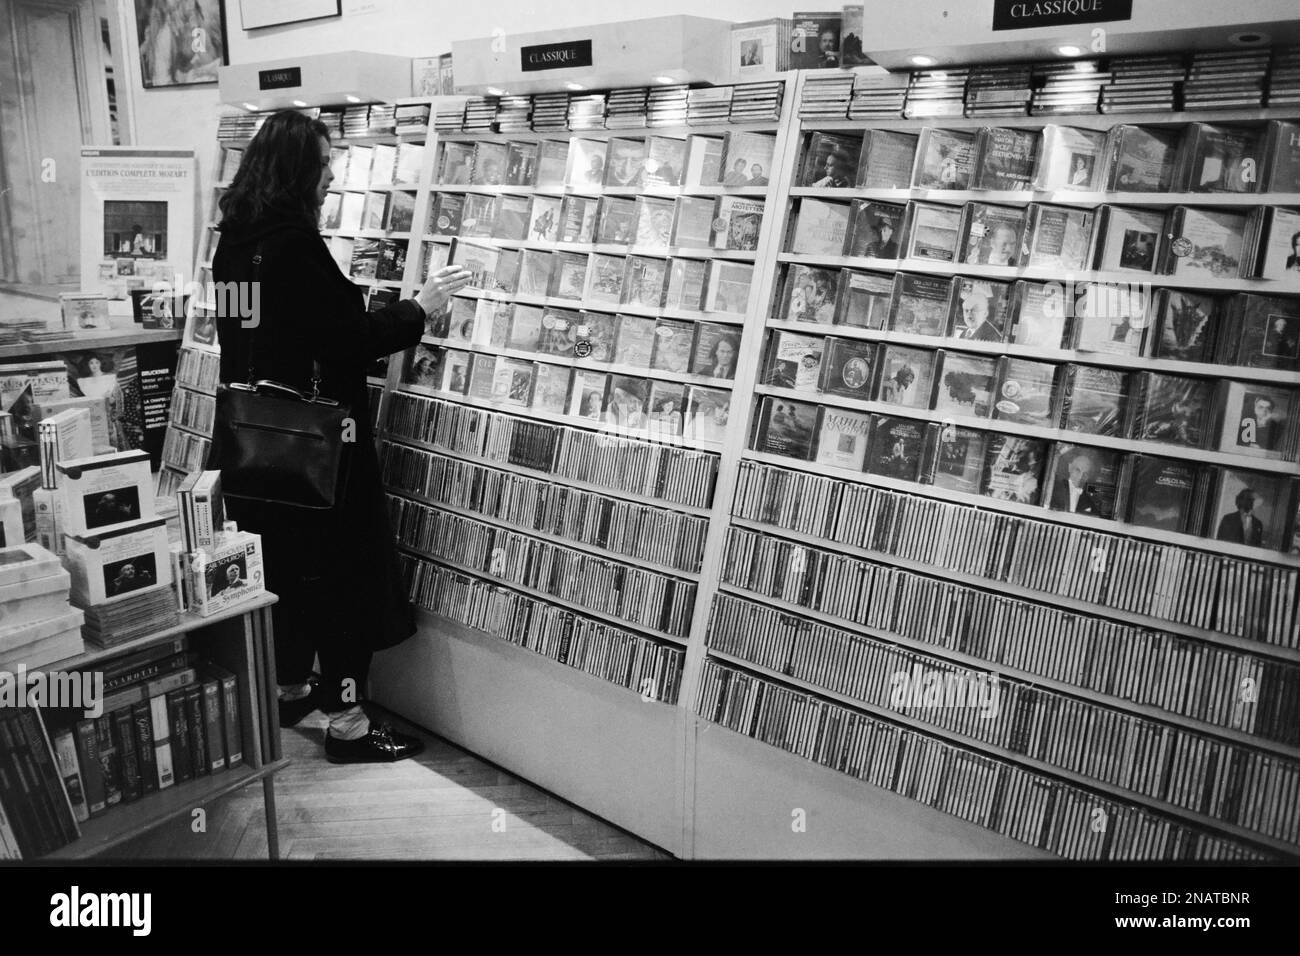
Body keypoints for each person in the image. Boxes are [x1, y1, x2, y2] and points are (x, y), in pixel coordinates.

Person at [212, 110, 472, 764]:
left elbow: (251, 338)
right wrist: (418, 310)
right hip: (320, 448)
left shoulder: (235, 243)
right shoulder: (297, 247)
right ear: (299, 170)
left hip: (253, 445)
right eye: (324, 164)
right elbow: (346, 345)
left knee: (285, 572)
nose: (331, 176)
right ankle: (349, 722)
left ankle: (289, 683)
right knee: (344, 581)